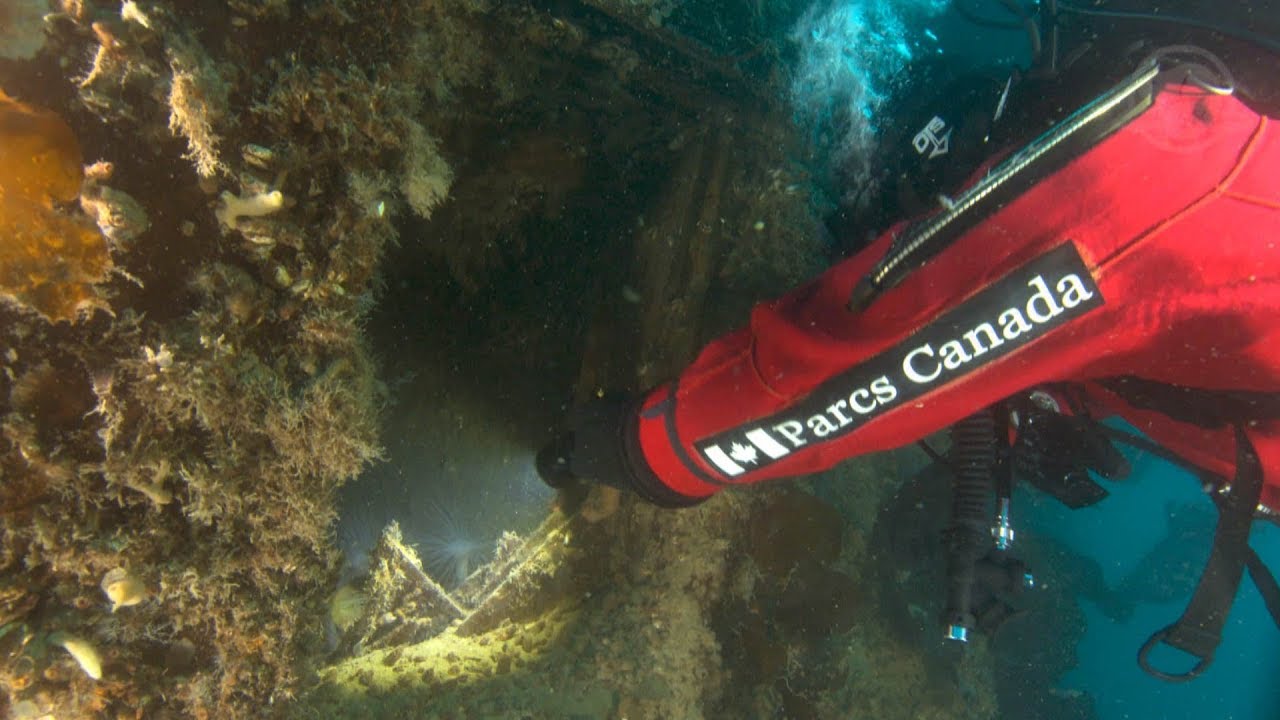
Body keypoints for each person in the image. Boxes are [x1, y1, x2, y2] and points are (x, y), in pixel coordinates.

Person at [539, 39, 1280, 681]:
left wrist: (649, 451)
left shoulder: (1172, 163)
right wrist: (994, 493)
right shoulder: (1223, 150)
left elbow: (867, 364)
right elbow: (1014, 337)